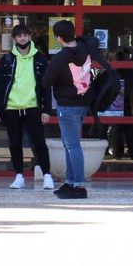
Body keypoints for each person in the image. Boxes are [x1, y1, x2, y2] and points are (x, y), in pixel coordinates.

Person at [0, 21, 54, 190]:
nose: (23, 38)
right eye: (19, 36)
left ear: (30, 37)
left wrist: (46, 110)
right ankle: (19, 176)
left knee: (39, 143)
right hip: (12, 108)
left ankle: (47, 176)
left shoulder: (39, 58)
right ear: (14, 39)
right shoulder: (7, 59)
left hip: (33, 107)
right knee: (15, 143)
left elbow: (46, 87)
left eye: (25, 35)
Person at [40, 19, 95, 200]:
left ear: (58, 38)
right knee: (69, 144)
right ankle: (70, 182)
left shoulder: (61, 57)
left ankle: (78, 185)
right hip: (82, 103)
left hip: (67, 106)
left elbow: (46, 81)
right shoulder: (85, 50)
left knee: (72, 145)